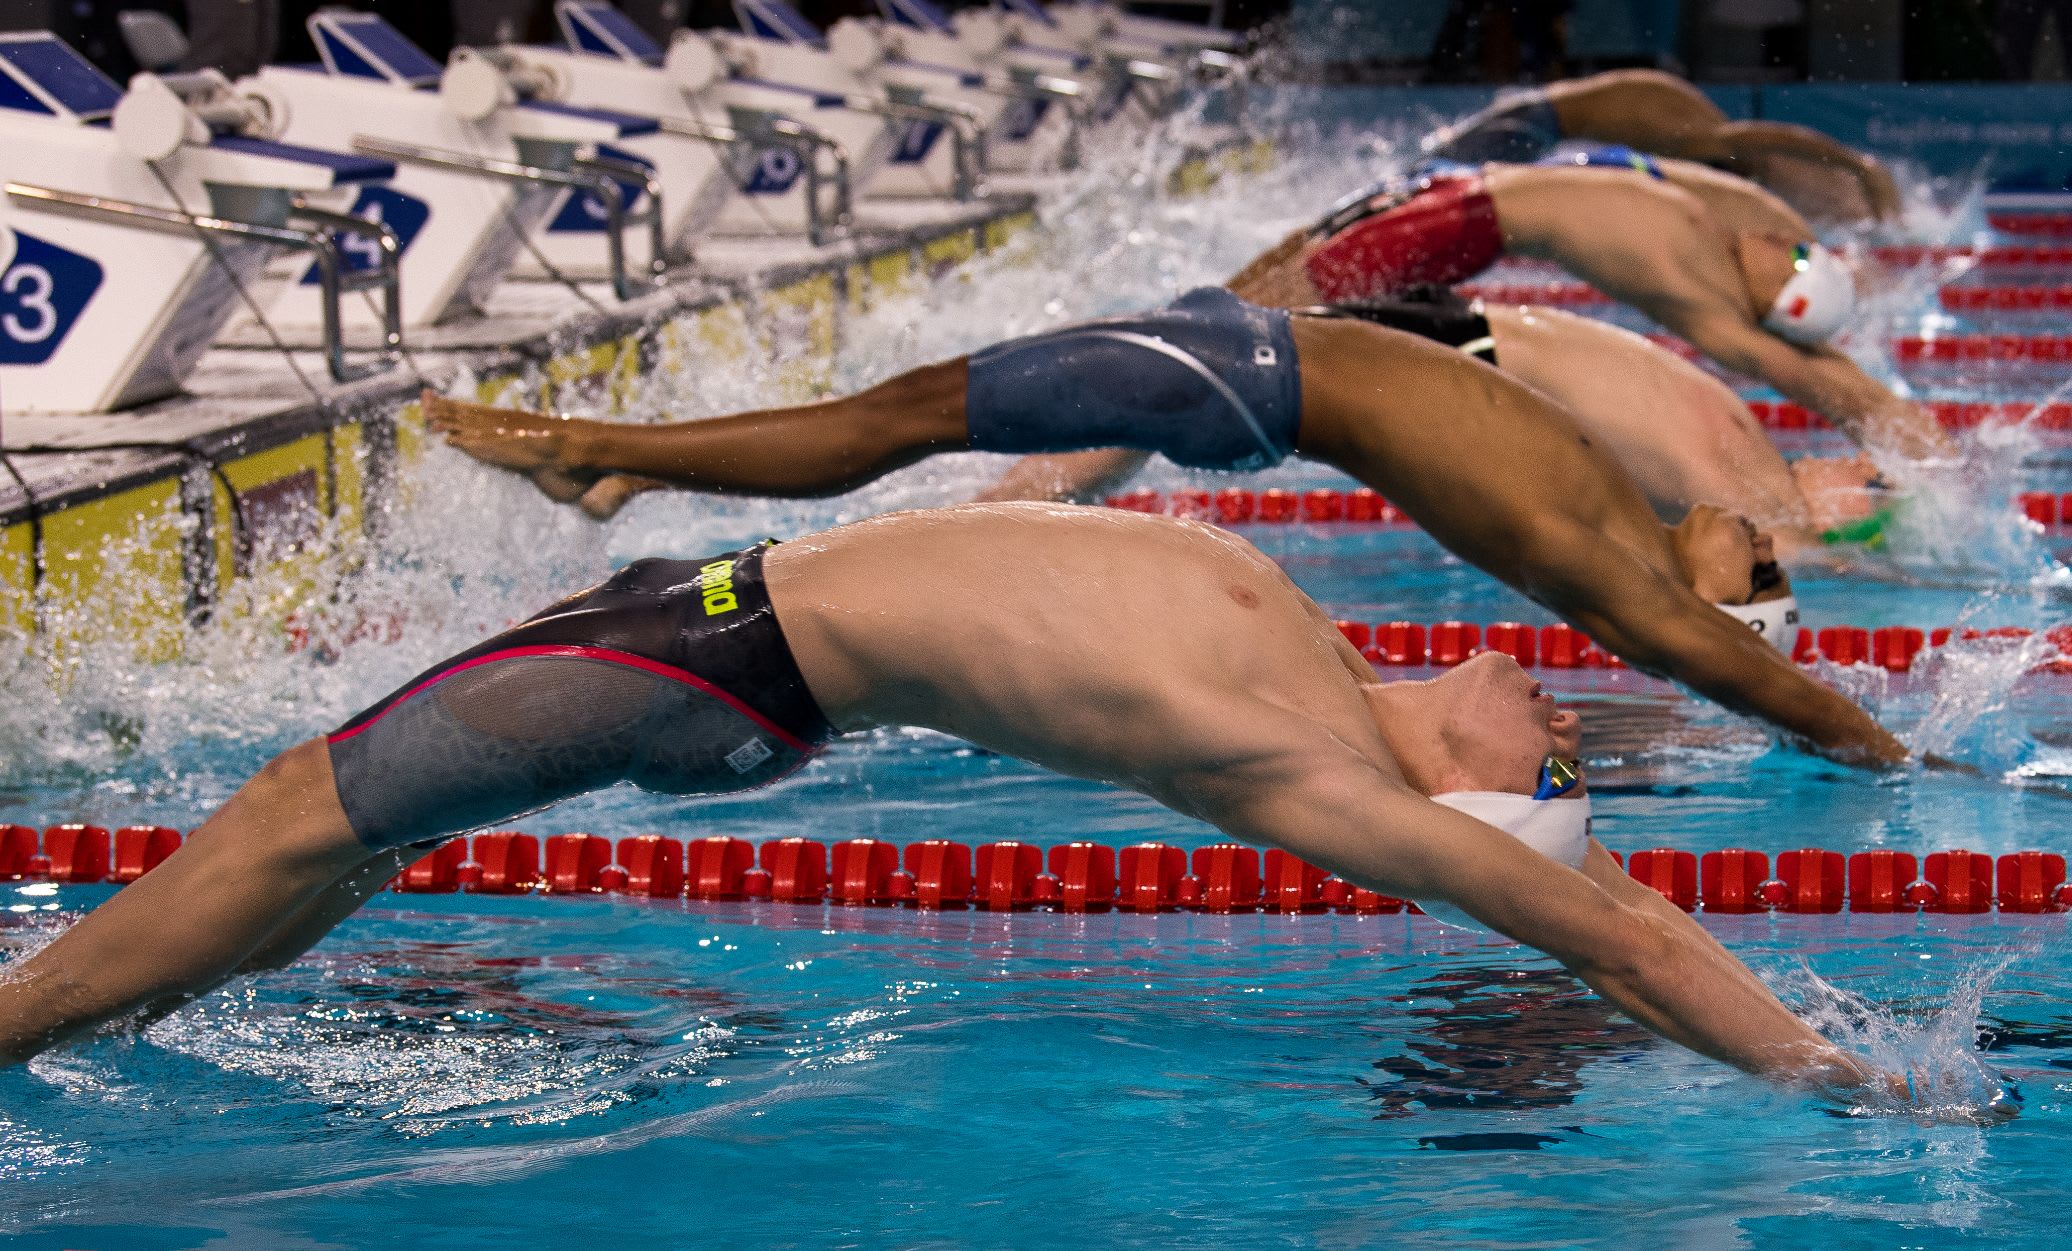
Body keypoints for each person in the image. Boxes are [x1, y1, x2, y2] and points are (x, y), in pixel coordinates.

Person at [0, 504, 1906, 1112]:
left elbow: (1614, 927)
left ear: (1458, 802)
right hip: (720, 631)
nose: (1548, 714)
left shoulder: (1303, 765)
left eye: (1543, 772)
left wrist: (1857, 1080)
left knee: (275, 821)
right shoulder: (1325, 669)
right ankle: (111, 1009)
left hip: (714, 665)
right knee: (339, 839)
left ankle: (28, 1021)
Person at [423, 287, 1905, 763]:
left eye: (1757, 565)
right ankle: (619, 462)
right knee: (909, 412)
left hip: (1247, 374)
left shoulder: (1617, 577)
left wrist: (1869, 738)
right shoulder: (1639, 520)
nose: (1752, 525)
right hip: (1254, 363)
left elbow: (1732, 670)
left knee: (904, 413)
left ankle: (602, 454)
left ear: (1712, 607)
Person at [967, 289, 1893, 559]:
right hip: (1457, 353)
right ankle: (992, 510)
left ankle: (997, 497)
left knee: (1172, 386)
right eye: (1874, 488)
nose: (1868, 492)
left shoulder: (1743, 447)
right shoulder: (1742, 481)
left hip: (1464, 334)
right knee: (1175, 392)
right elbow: (1793, 568)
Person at [1226, 152, 1953, 462]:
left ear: (1781, 301)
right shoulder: (1721, 232)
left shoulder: (1707, 299)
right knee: (1258, 282)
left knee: (1241, 325)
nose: (1784, 241)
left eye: (1798, 259)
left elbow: (1797, 371)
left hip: (1454, 222)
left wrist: (1914, 440)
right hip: (1451, 193)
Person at [1419, 68, 1901, 224]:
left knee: (1426, 189)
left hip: (1534, 121)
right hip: (1530, 125)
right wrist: (1857, 166)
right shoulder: (1705, 137)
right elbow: (1783, 135)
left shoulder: (1701, 128)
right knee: (1423, 191)